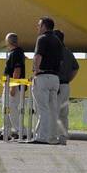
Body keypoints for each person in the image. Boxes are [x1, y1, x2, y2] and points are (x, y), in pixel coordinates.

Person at [29, 17, 64, 145]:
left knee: (41, 109)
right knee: (52, 109)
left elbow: (38, 55)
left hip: (43, 76)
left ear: (44, 26)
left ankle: (41, 137)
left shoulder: (42, 38)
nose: (37, 27)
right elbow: (60, 61)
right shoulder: (57, 41)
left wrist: (36, 70)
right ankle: (52, 136)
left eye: (39, 25)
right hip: (55, 78)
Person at [0, 33, 25, 141]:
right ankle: (6, 132)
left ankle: (20, 131)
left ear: (9, 42)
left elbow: (17, 70)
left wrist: (13, 86)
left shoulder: (16, 53)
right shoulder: (15, 53)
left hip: (13, 85)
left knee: (11, 109)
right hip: (10, 84)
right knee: (6, 109)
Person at [54, 30, 79, 142]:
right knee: (63, 113)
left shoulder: (55, 52)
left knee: (53, 111)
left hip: (56, 85)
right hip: (65, 84)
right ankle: (63, 136)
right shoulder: (68, 52)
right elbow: (76, 67)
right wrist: (69, 79)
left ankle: (52, 135)